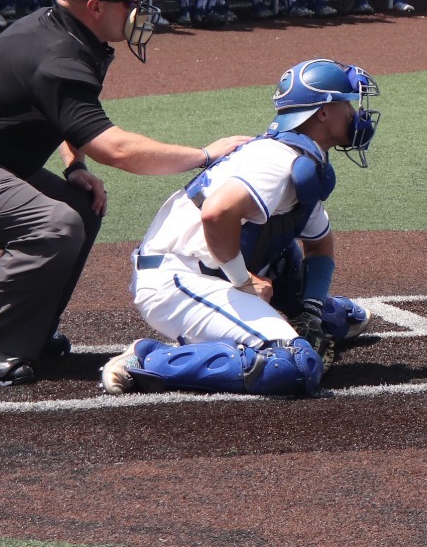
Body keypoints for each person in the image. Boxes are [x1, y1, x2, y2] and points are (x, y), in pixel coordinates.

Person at [0, 0, 249, 387]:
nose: (142, 13)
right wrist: (205, 154)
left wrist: (74, 166)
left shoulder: (69, 34)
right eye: (133, 2)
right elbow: (115, 149)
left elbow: (61, 115)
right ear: (95, 6)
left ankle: (27, 332)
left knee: (78, 205)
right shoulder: (57, 54)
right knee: (53, 224)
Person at [98, 58, 382, 396]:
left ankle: (298, 313)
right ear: (323, 112)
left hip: (208, 268)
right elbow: (216, 214)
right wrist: (243, 280)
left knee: (333, 315)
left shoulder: (301, 161)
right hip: (177, 281)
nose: (356, 114)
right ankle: (149, 358)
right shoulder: (275, 162)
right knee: (294, 364)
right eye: (347, 103)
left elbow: (319, 244)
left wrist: (311, 312)